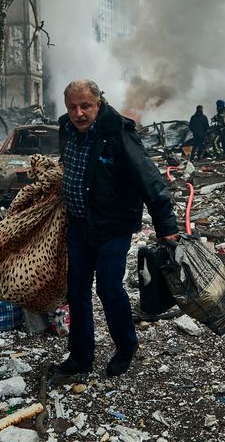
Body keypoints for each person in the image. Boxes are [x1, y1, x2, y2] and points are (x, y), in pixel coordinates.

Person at [53, 79, 180, 378]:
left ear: (99, 103)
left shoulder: (119, 134)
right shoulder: (65, 129)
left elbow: (150, 180)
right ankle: (81, 356)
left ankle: (125, 347)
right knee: (77, 290)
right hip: (80, 224)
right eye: (73, 107)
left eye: (86, 106)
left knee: (109, 288)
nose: (79, 113)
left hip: (113, 226)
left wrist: (167, 226)